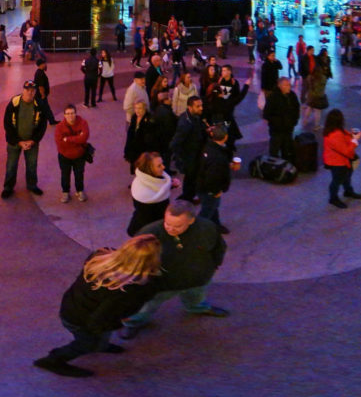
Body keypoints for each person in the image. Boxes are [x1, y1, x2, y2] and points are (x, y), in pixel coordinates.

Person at [32, 235, 163, 377]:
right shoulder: (130, 288)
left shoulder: (100, 255)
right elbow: (100, 319)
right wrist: (113, 327)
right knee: (87, 343)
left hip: (72, 307)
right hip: (84, 321)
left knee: (97, 338)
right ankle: (52, 360)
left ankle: (101, 344)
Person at [118, 199, 229, 338]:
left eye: (177, 226)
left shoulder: (207, 228)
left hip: (198, 279)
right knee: (146, 305)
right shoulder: (149, 234)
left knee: (196, 296)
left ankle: (197, 308)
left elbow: (219, 248)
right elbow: (134, 259)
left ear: (191, 220)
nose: (170, 229)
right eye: (167, 223)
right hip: (162, 284)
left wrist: (212, 266)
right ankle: (133, 323)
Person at [1, 80, 50, 199]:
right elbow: (7, 124)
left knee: (32, 165)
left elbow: (43, 125)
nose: (30, 93)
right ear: (23, 90)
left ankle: (32, 185)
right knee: (11, 165)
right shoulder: (14, 102)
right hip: (15, 142)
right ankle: (8, 187)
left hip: (31, 142)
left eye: (33, 90)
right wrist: (18, 141)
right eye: (28, 90)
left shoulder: (39, 104)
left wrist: (33, 140)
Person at [321, 109, 361, 209]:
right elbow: (346, 151)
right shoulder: (336, 134)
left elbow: (344, 139)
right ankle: (333, 198)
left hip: (339, 161)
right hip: (338, 162)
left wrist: (352, 135)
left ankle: (348, 191)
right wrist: (355, 140)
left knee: (345, 177)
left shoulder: (334, 130)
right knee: (337, 180)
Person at [127, 151, 176, 235]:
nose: (163, 167)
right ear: (149, 169)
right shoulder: (144, 194)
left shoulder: (145, 179)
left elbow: (158, 187)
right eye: (159, 166)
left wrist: (170, 184)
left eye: (162, 164)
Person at [54, 104, 92, 204]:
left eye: (72, 113)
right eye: (68, 114)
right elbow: (59, 142)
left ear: (76, 113)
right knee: (65, 174)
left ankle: (80, 191)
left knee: (79, 174)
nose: (70, 116)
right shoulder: (59, 127)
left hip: (79, 155)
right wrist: (77, 139)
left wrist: (68, 139)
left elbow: (85, 137)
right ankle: (65, 192)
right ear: (64, 115)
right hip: (64, 155)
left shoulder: (83, 123)